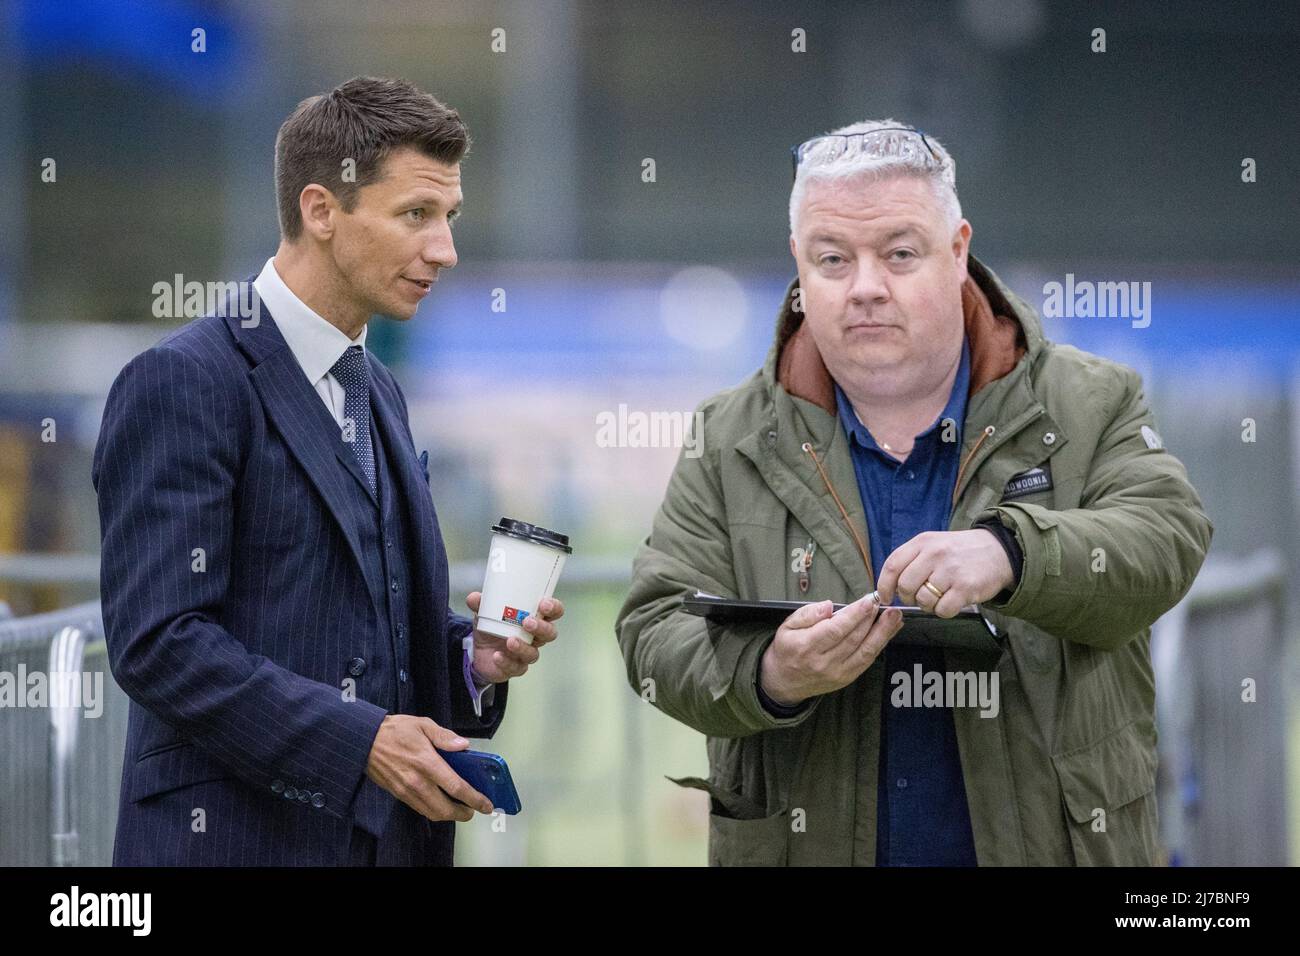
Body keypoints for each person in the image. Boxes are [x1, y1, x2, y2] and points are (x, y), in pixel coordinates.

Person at [616, 119, 1213, 866]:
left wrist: (1012, 553)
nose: (866, 287)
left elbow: (1168, 536)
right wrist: (771, 674)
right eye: (833, 259)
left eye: (899, 254)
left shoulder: (1088, 401)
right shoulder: (727, 434)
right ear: (799, 265)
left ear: (958, 252)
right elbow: (653, 630)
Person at [93, 76, 563, 866]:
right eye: (416, 215)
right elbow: (159, 643)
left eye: (448, 218)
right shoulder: (182, 380)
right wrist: (362, 741)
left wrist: (470, 662)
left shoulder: (375, 387)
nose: (444, 249)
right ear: (321, 211)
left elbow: (367, 634)